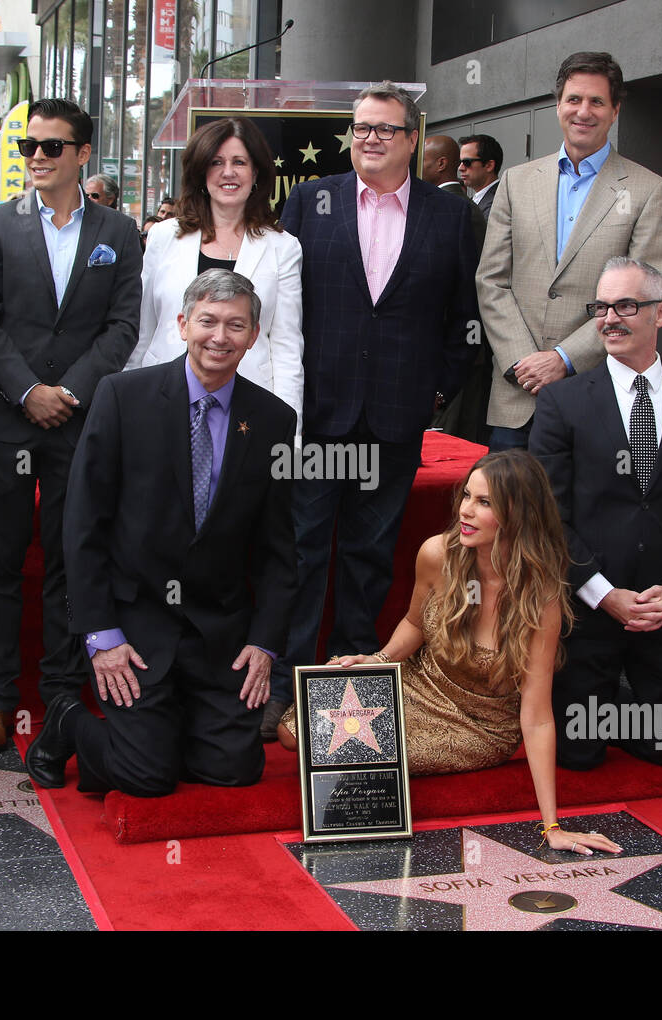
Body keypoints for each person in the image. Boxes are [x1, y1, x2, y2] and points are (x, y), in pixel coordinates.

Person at [25, 269, 297, 793]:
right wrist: (102, 637)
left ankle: (171, 730)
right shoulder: (123, 397)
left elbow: (278, 548)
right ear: (181, 324)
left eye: (236, 325)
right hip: (136, 625)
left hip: (219, 634)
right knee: (145, 776)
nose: (220, 336)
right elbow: (82, 524)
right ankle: (67, 721)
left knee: (233, 771)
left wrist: (264, 643)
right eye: (207, 321)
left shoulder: (273, 420)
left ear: (254, 336)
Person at [278, 450, 622, 857]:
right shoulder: (438, 554)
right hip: (421, 681)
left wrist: (553, 826)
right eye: (466, 497)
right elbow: (414, 623)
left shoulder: (539, 594)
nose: (467, 512)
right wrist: (379, 662)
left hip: (479, 724)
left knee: (339, 743)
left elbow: (537, 714)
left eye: (485, 502)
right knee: (294, 728)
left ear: (519, 515)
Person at [267, 81, 479, 737]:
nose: (371, 139)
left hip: (394, 417)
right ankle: (288, 683)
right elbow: (283, 307)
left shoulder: (450, 218)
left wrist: (435, 389)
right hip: (319, 415)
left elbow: (464, 318)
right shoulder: (311, 201)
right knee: (303, 550)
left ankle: (349, 678)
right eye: (361, 128)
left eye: (385, 128)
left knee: (369, 553)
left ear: (412, 140)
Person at [0, 98, 143, 755]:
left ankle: (62, 696)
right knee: (0, 563)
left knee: (72, 559)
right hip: (9, 422)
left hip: (81, 422)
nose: (36, 157)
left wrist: (68, 391)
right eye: (28, 147)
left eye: (52, 147)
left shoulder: (118, 232)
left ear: (82, 153)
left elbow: (123, 325)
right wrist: (28, 391)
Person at [529, 257, 662, 769]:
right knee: (578, 756)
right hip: (587, 609)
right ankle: (590, 707)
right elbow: (548, 515)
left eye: (626, 305)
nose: (609, 319)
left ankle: (625, 711)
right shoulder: (561, 403)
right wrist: (603, 594)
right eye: (601, 307)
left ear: (661, 312)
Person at [478, 51, 662, 451]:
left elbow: (638, 298)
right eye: (574, 99)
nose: (583, 111)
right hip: (518, 395)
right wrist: (523, 361)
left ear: (615, 110)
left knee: (583, 513)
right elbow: (491, 281)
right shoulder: (516, 182)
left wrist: (563, 359)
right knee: (508, 513)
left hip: (596, 392)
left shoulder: (648, 190)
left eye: (597, 102)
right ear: (558, 106)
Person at [128, 117, 303, 428]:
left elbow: (286, 344)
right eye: (216, 162)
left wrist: (291, 432)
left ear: (256, 172)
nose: (228, 172)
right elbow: (143, 330)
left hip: (249, 405)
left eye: (240, 162)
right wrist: (127, 405)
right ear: (200, 171)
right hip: (163, 399)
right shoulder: (164, 236)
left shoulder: (283, 247)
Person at [422, 134, 486, 251]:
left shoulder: (457, 208)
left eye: (422, 161)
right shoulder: (459, 205)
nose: (418, 167)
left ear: (441, 164)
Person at [458, 133, 502, 219]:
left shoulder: (499, 202)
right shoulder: (474, 200)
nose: (460, 168)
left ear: (489, 165)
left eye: (467, 162)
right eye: (460, 162)